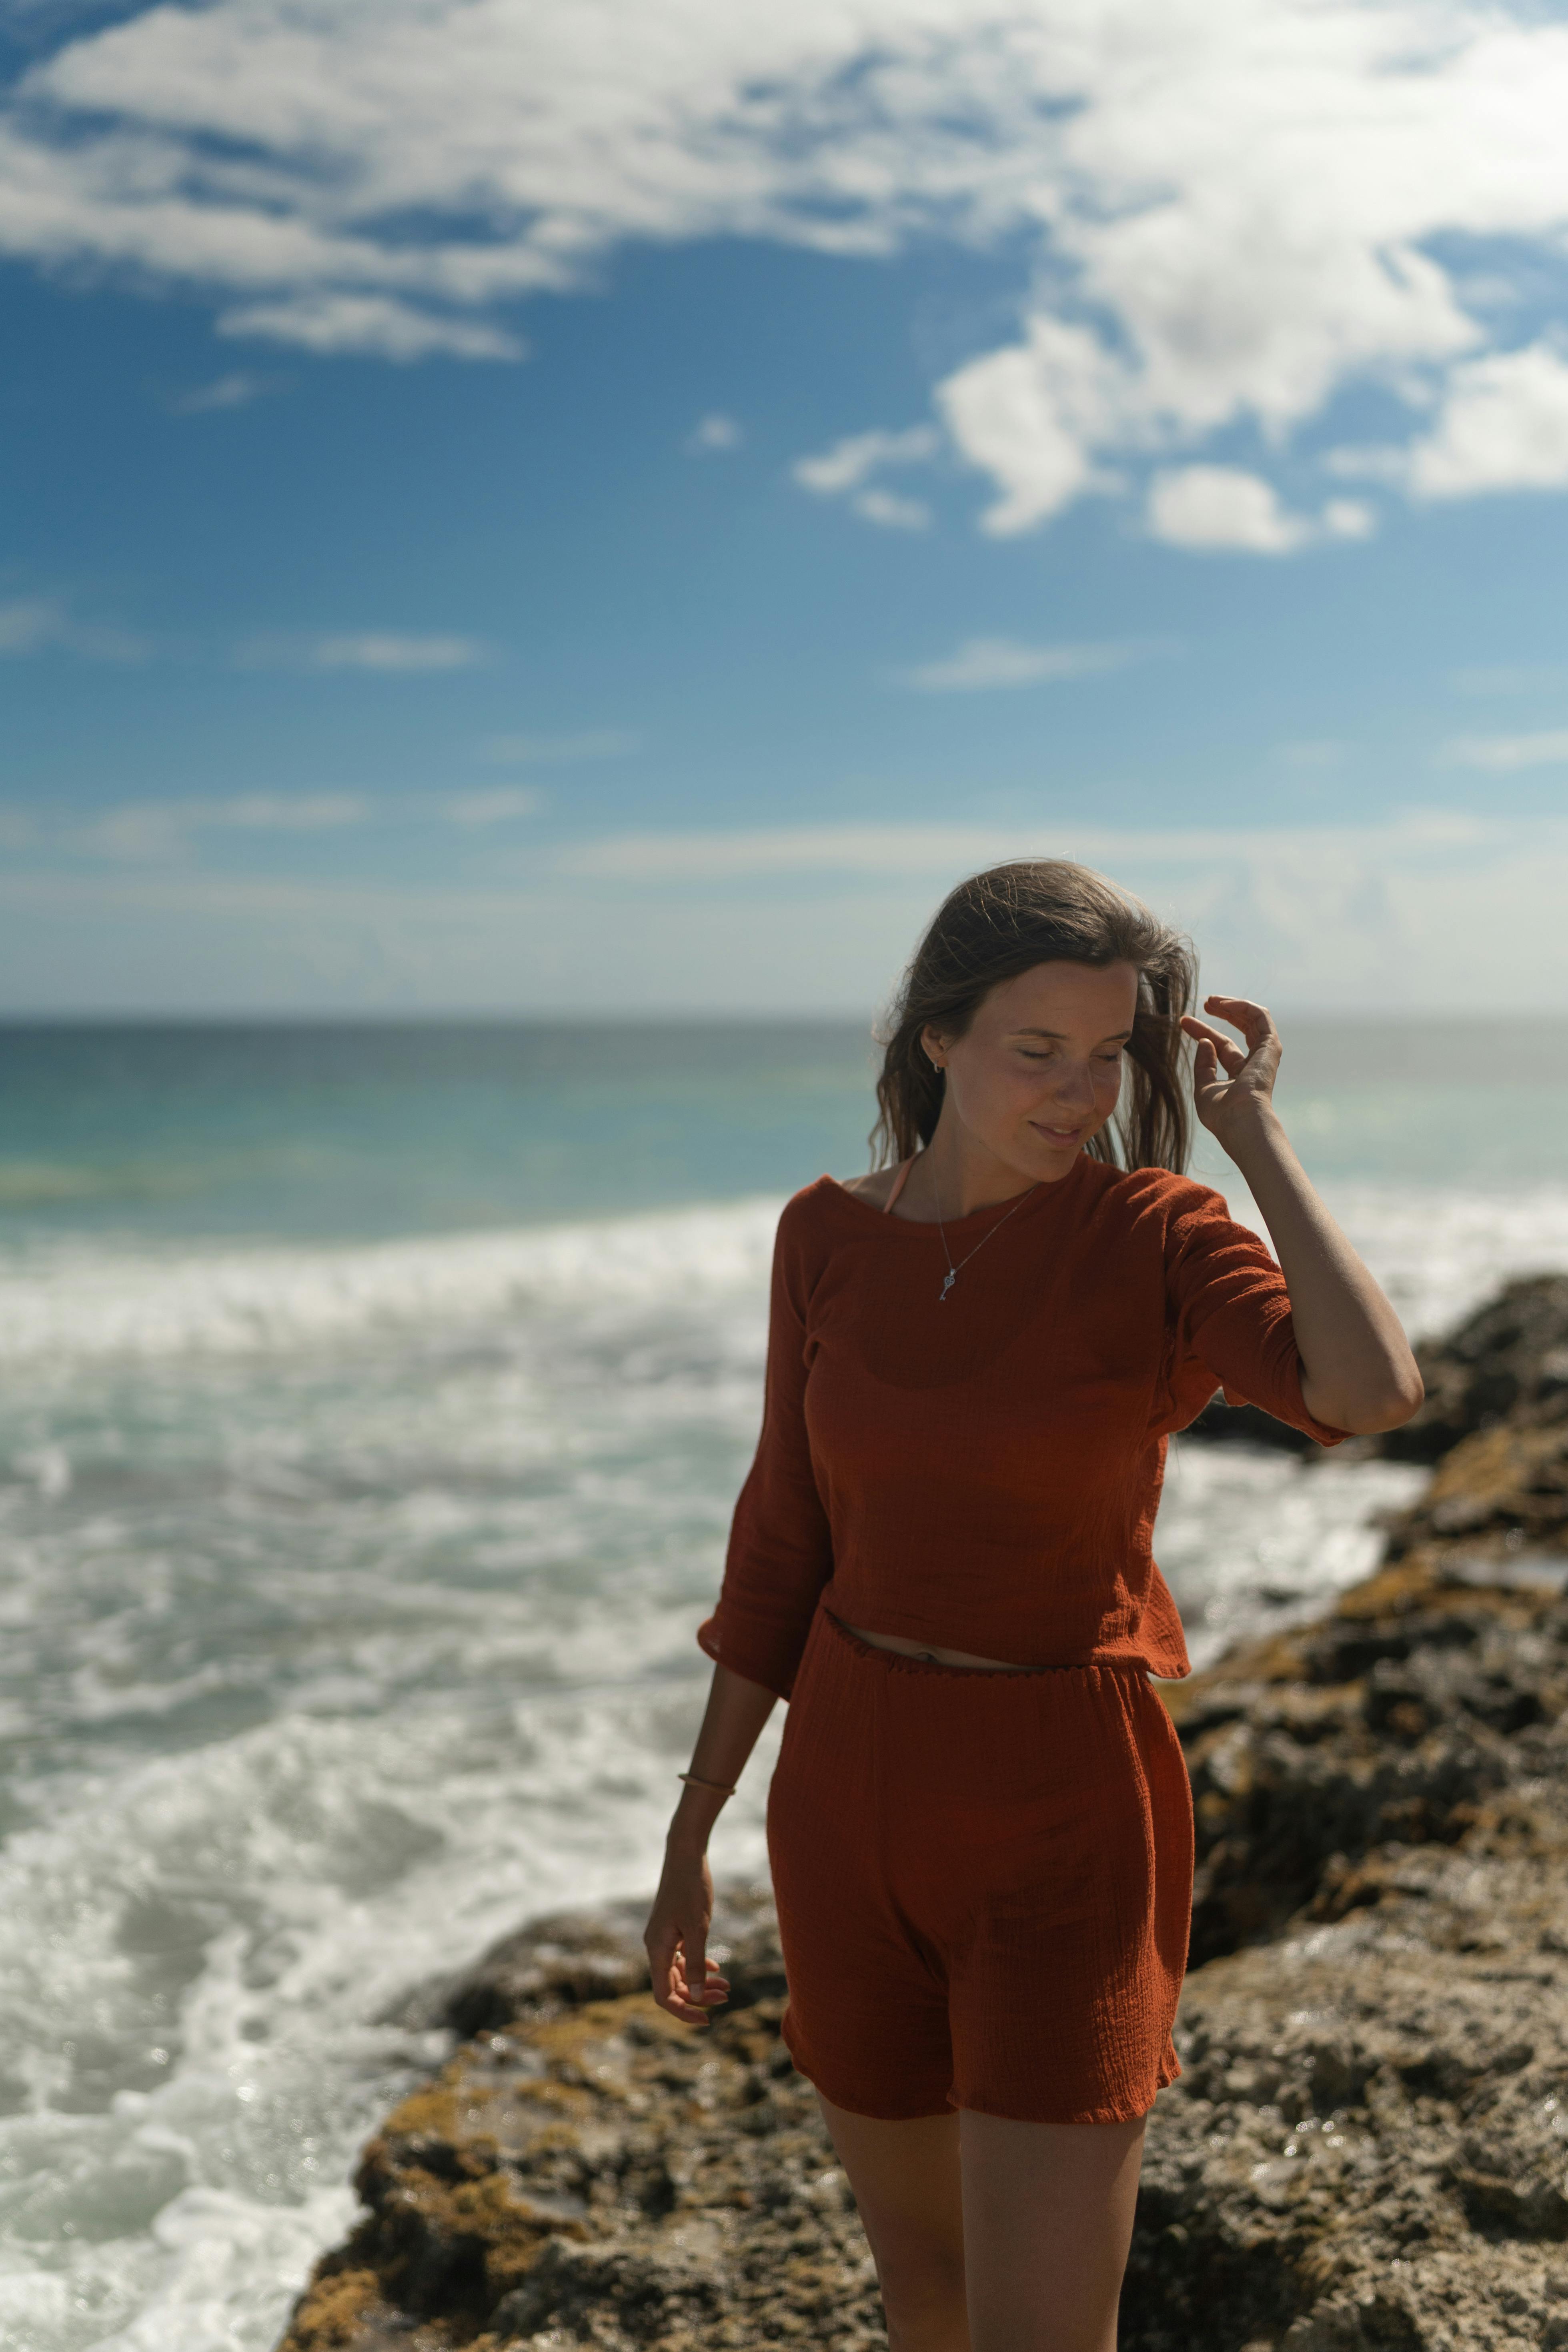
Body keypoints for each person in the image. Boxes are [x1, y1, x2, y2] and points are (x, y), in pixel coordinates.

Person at [643, 860, 1422, 2352]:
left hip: (1065, 1812)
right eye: (1036, 1049)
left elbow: (1371, 1390)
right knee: (926, 2301)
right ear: (937, 1037)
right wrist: (695, 1828)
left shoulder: (1156, 1235)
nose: (1079, 1093)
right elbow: (782, 1539)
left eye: (1111, 1054)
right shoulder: (824, 1237)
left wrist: (1253, 1137)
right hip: (848, 1797)